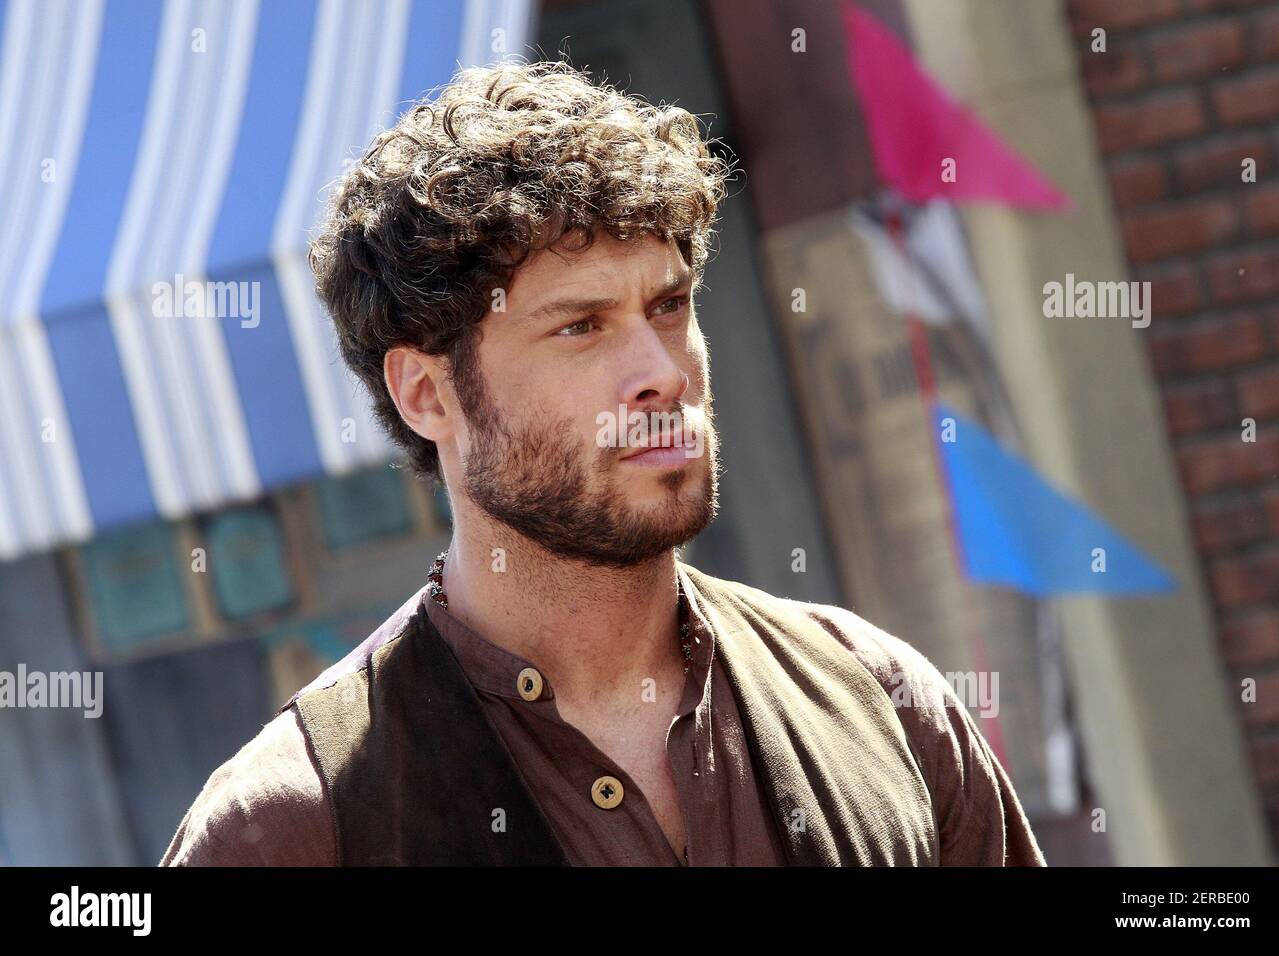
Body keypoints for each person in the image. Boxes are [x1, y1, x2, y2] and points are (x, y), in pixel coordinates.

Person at [161, 58, 1045, 867]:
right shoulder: (293, 829)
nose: (662, 374)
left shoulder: (880, 703)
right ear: (428, 394)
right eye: (580, 327)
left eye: (668, 307)